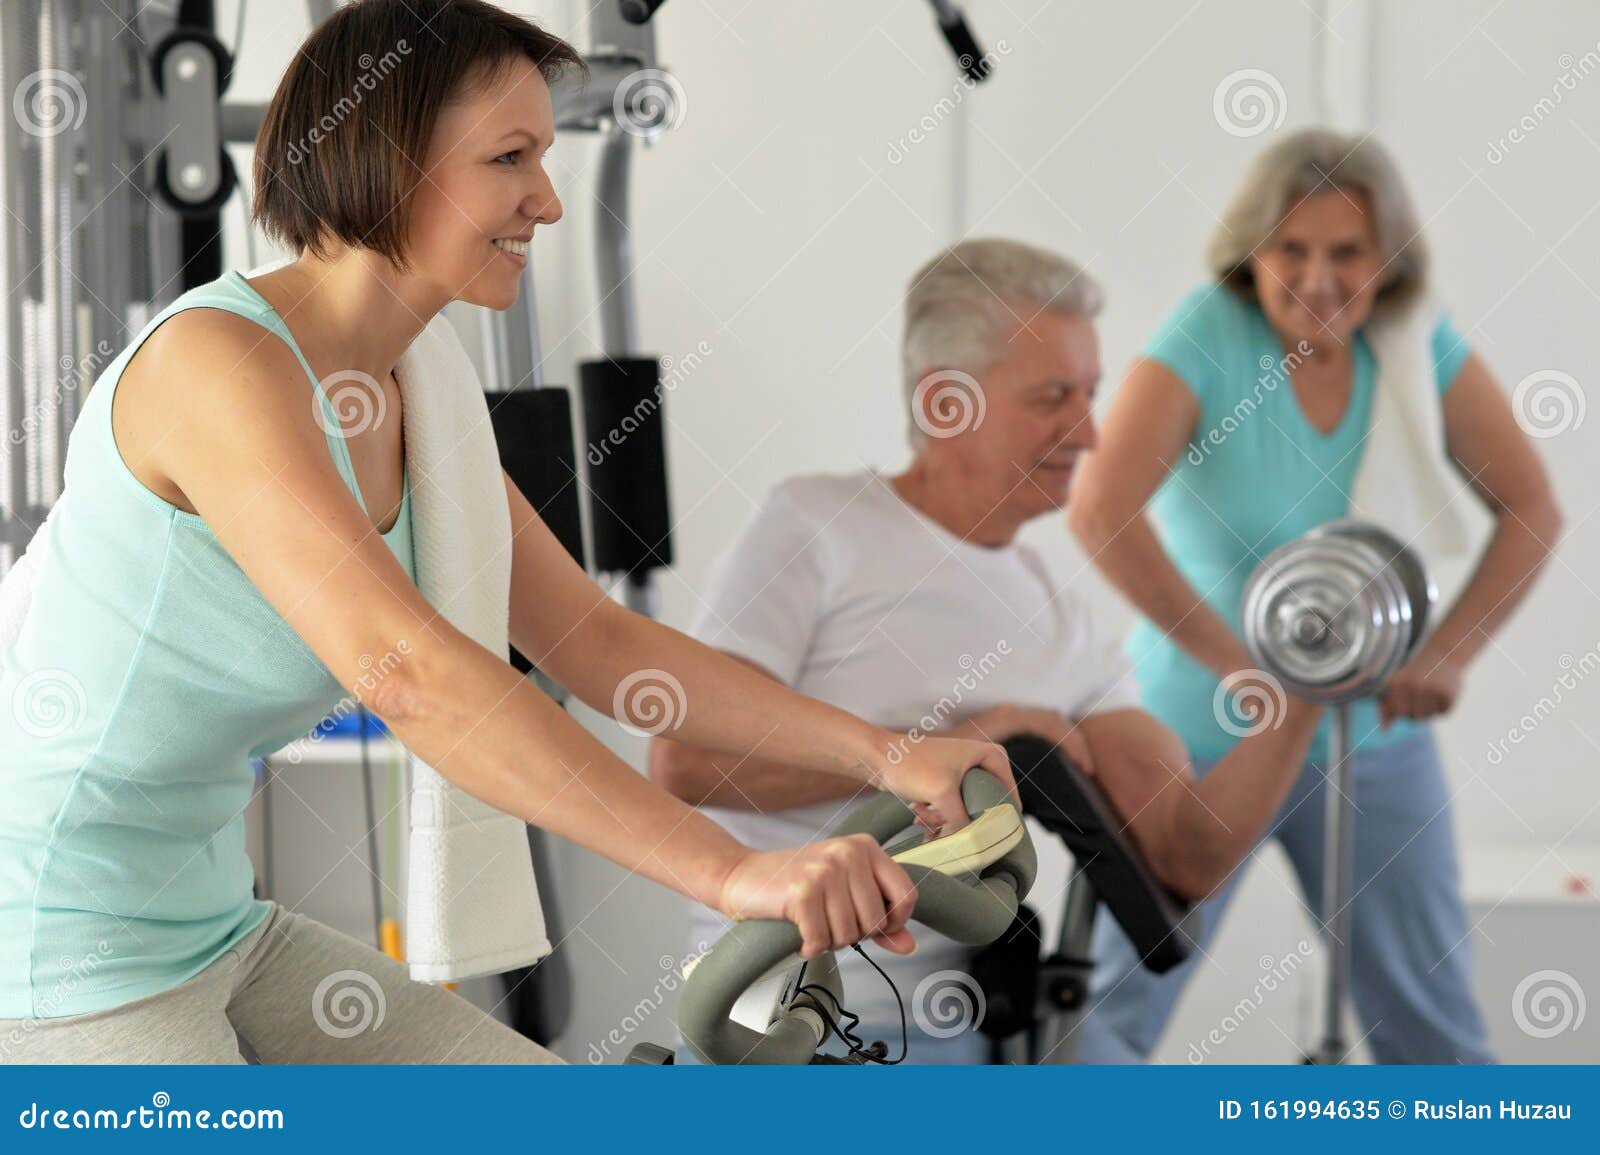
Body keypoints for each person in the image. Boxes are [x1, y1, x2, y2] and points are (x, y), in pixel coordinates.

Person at [0, 0, 1016, 1065]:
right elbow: (409, 676)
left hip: (208, 927)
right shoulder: (220, 367)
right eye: (509, 156)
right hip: (52, 949)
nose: (547, 199)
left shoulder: (413, 383)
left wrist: (887, 753)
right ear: (390, 164)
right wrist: (728, 872)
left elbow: (598, 642)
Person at [651, 238, 1330, 1064]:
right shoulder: (816, 527)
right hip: (775, 1025)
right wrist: (976, 733)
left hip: (962, 1034)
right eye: (1052, 397)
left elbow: (1187, 852)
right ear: (946, 402)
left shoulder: (1065, 620)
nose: (1088, 432)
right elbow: (687, 760)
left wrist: (1308, 681)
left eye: (1090, 394)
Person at [1067, 128, 1562, 1063]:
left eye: (1347, 252)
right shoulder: (1206, 333)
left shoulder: (1418, 344)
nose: (1317, 278)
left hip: (1369, 731)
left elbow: (1532, 507)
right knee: (1107, 1016)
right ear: (1252, 252)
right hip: (1202, 724)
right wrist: (1242, 663)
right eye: (1290, 249)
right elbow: (1098, 509)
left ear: (1388, 263)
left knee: (1430, 1026)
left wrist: (1447, 654)